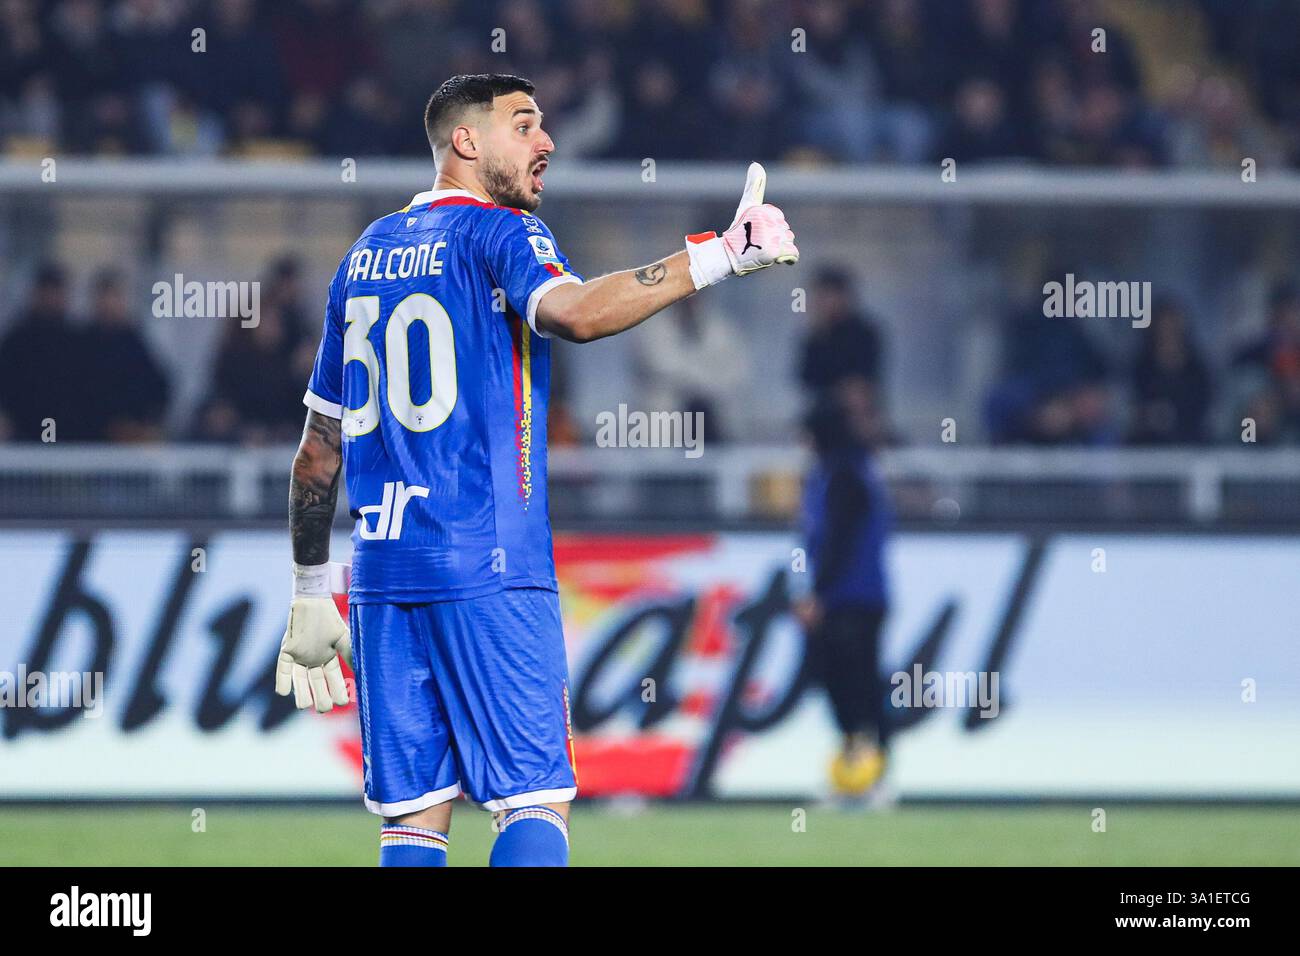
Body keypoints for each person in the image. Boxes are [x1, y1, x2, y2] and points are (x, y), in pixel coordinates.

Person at [278, 73, 799, 867]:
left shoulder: (364, 255)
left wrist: (312, 592)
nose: (546, 141)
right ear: (466, 142)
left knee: (413, 823)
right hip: (489, 562)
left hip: (381, 575)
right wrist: (722, 255)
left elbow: (319, 449)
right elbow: (579, 314)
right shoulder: (501, 233)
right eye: (524, 125)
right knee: (531, 800)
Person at [794, 397, 893, 802]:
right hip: (856, 598)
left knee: (855, 688)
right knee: (845, 687)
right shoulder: (846, 472)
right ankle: (858, 773)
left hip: (851, 599)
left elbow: (838, 543)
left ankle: (876, 776)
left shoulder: (843, 476)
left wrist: (817, 594)